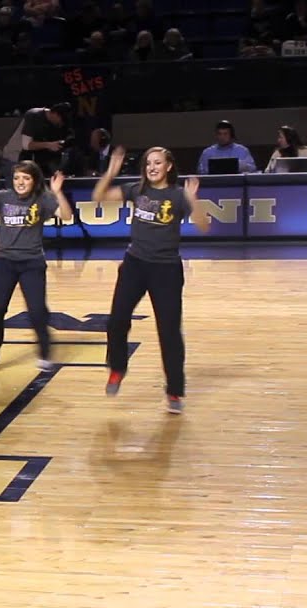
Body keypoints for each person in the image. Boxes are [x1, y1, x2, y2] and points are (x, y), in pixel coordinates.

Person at [92, 146, 209, 414]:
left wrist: (193, 199)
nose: (152, 167)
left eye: (157, 163)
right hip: (135, 264)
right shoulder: (136, 190)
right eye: (148, 163)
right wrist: (111, 171)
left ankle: (175, 392)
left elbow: (203, 225)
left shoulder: (178, 195)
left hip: (166, 269)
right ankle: (118, 367)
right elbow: (99, 196)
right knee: (117, 320)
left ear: (169, 166)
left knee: (169, 332)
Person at [0, 161, 74, 369]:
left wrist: (57, 192)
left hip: (32, 262)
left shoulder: (43, 199)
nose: (21, 182)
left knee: (37, 310)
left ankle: (45, 352)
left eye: (26, 178)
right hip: (3, 262)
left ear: (34, 180)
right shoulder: (2, 197)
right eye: (17, 177)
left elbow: (67, 216)